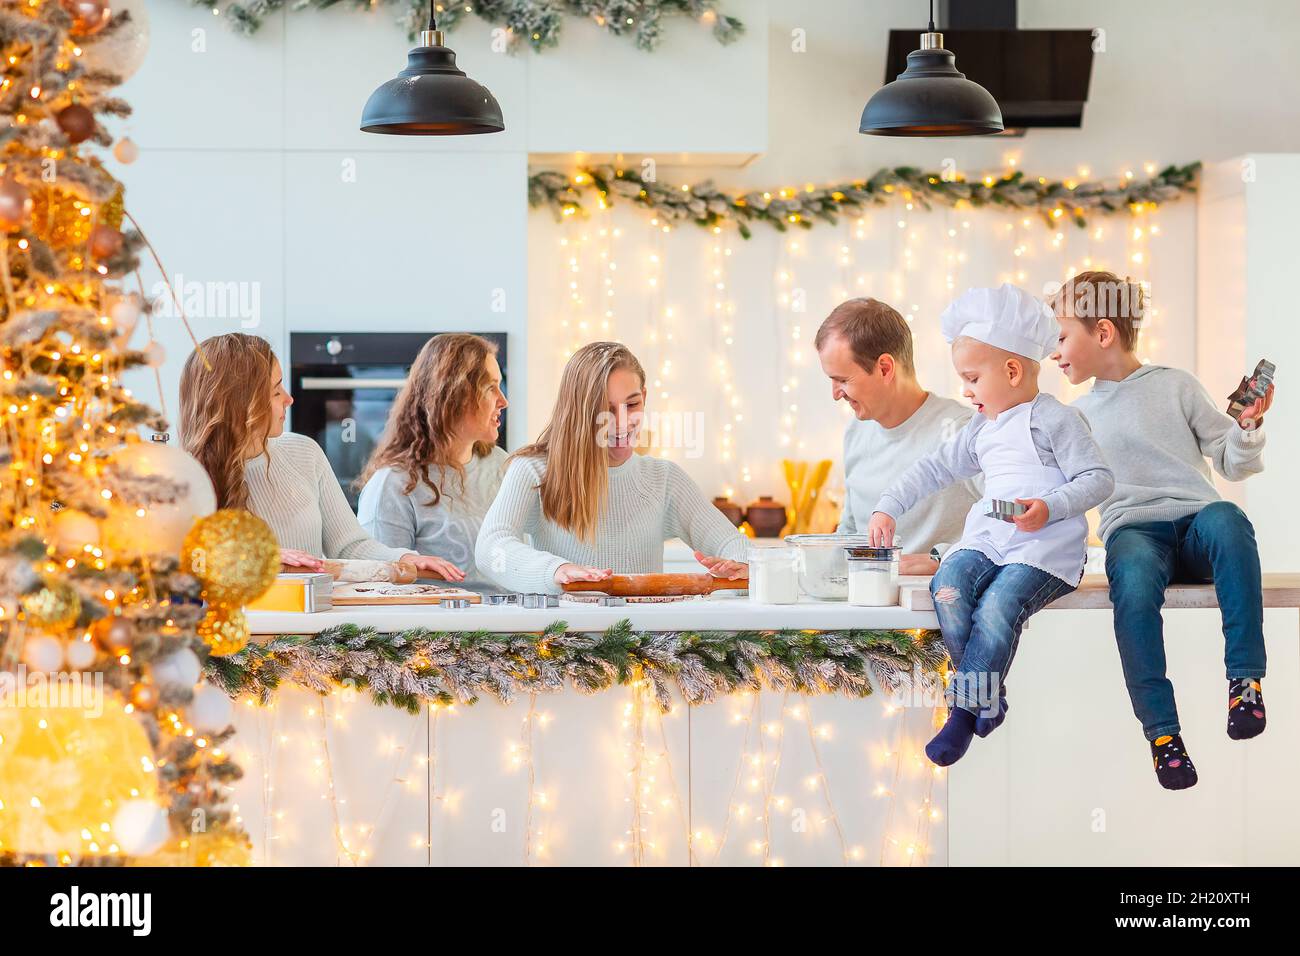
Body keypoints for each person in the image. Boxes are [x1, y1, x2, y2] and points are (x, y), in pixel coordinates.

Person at [867, 284, 1114, 767]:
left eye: (973, 378)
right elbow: (933, 469)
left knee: (999, 604)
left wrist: (1049, 506)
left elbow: (1098, 479)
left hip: (1043, 546)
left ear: (1013, 370)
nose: (965, 390)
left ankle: (961, 711)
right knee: (950, 589)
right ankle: (988, 697)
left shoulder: (1055, 420)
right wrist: (888, 505)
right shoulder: (981, 428)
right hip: (990, 535)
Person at [1051, 271, 1274, 791]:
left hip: (1196, 523)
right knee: (1129, 581)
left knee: (1229, 519)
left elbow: (1232, 464)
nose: (1054, 353)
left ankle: (1245, 682)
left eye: (1061, 337)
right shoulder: (1073, 417)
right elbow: (1061, 494)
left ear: (1103, 333)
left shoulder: (1176, 385)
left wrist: (1246, 428)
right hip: (1133, 532)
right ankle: (1162, 736)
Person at [179, 332, 462, 581]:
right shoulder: (181, 479)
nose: (289, 399)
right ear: (243, 404)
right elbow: (182, 567)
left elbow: (350, 546)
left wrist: (402, 559)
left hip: (314, 630)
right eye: (276, 391)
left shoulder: (304, 452)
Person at [475, 341, 747, 594]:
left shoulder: (664, 479)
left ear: (644, 396)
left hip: (648, 643)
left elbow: (731, 543)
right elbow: (491, 549)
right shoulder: (534, 471)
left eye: (632, 404)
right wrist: (556, 570)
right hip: (565, 641)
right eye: (603, 410)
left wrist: (742, 566)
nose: (621, 422)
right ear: (577, 411)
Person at [815, 298, 979, 574]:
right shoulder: (856, 432)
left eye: (842, 380)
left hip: (936, 610)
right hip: (869, 609)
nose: (835, 394)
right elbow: (851, 530)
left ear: (885, 368)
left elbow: (1010, 520)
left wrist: (943, 558)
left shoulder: (961, 430)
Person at [356, 334, 508, 591]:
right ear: (454, 396)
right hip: (439, 629)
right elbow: (381, 591)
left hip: (517, 624)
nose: (503, 401)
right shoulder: (393, 485)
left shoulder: (502, 465)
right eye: (489, 388)